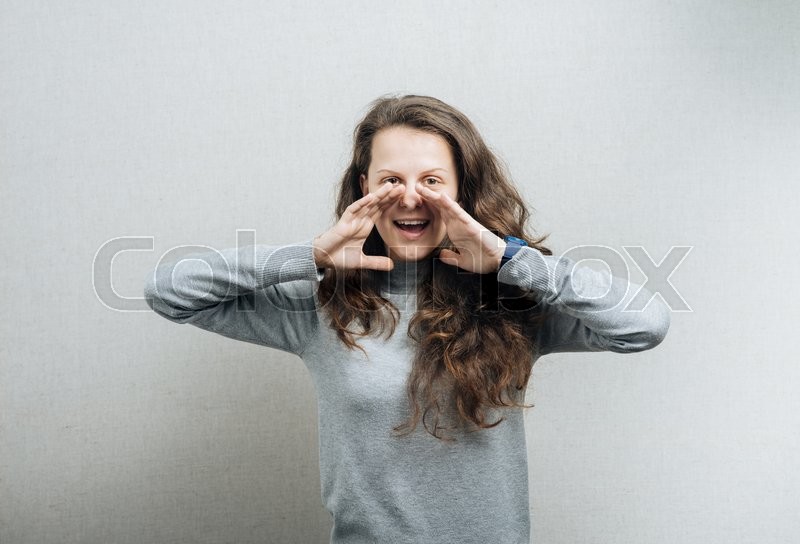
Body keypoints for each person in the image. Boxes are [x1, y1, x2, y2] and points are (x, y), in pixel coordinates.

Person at [144, 94, 670, 544]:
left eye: (433, 180)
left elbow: (645, 324)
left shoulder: (514, 300)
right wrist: (312, 255)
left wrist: (513, 260)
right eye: (391, 179)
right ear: (363, 184)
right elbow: (168, 291)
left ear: (463, 190)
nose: (412, 196)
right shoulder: (319, 303)